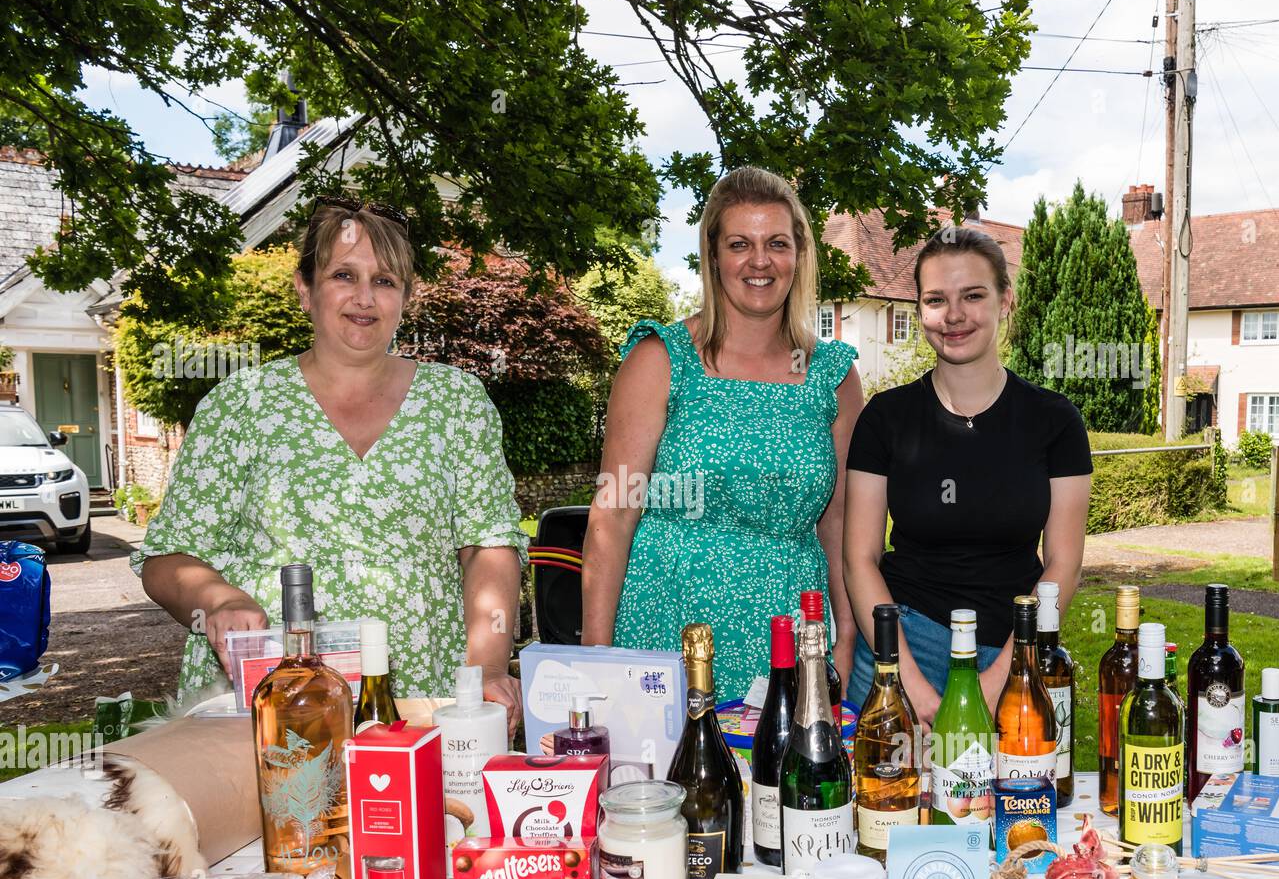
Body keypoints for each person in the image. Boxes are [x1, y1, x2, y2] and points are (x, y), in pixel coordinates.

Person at [134, 198, 528, 727]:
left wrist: (484, 674)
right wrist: (217, 598)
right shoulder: (242, 405)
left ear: (405, 298)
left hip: (422, 698)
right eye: (344, 275)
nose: (365, 298)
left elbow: (490, 544)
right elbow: (166, 558)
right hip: (276, 697)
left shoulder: (456, 402)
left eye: (386, 281)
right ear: (305, 289)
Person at [582, 166, 863, 703]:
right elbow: (613, 513)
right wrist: (597, 661)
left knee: (785, 784)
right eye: (740, 243)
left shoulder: (832, 374)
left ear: (798, 254)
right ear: (713, 256)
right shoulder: (661, 360)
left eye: (777, 243)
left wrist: (844, 634)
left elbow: (840, 522)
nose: (760, 261)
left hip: (790, 630)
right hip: (668, 623)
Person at [842, 226, 1092, 722]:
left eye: (972, 295)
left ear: (1005, 301)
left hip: (1014, 652)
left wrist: (1003, 675)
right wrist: (909, 683)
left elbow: (1063, 565)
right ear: (919, 310)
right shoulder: (885, 418)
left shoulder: (1055, 421)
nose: (953, 315)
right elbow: (859, 560)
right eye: (936, 299)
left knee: (1015, 800)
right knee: (878, 801)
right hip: (899, 652)